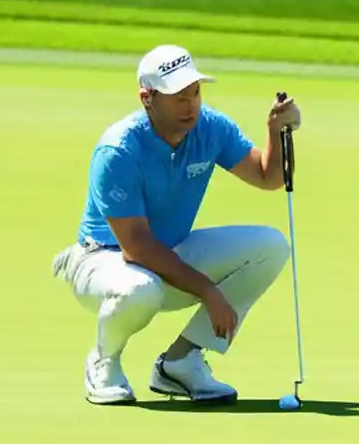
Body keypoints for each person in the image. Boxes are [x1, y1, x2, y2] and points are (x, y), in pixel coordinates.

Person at [50, 44, 301, 405]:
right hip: (102, 262)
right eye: (177, 96)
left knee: (270, 247)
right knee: (140, 289)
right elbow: (135, 247)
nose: (191, 105)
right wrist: (208, 290)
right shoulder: (118, 150)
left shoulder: (210, 128)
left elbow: (267, 176)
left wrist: (277, 130)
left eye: (195, 92)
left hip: (168, 257)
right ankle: (103, 362)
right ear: (147, 98)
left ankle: (180, 363)